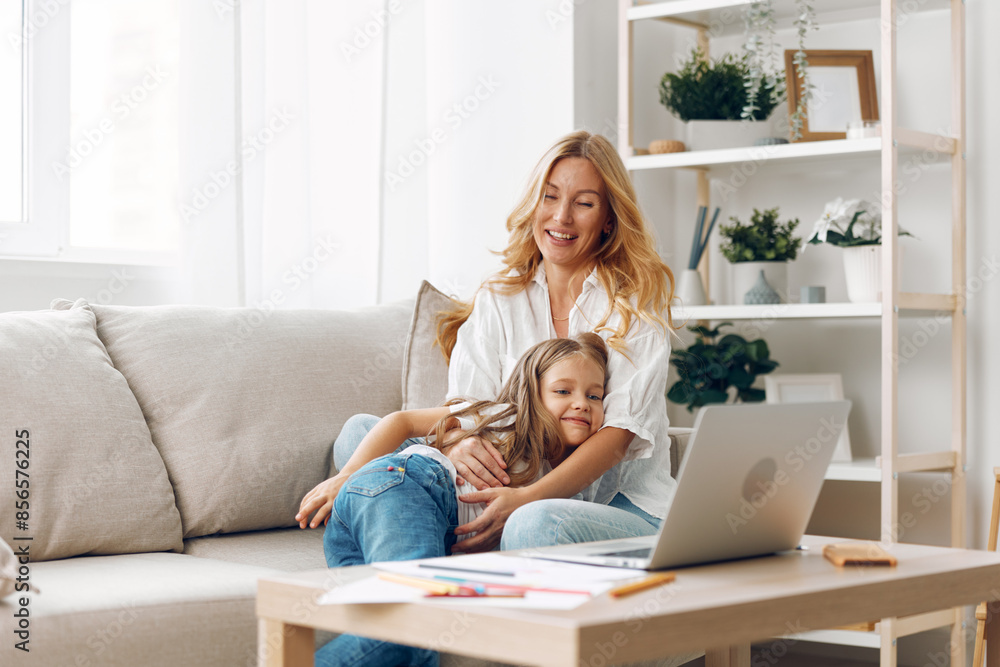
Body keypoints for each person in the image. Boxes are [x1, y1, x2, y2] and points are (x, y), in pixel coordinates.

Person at [324, 129, 676, 555]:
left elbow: (618, 436)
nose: (561, 217)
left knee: (534, 522)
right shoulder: (500, 298)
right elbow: (467, 406)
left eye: (583, 203)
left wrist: (527, 499)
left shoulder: (633, 303)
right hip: (507, 483)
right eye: (549, 197)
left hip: (617, 506)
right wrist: (459, 443)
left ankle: (456, 549)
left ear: (608, 219)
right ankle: (439, 554)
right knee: (359, 434)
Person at [298, 333, 609, 667]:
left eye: (595, 395)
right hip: (404, 488)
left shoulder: (564, 481)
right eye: (563, 391)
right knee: (413, 625)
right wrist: (345, 476)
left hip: (377, 526)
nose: (582, 403)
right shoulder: (505, 418)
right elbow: (402, 421)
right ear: (531, 394)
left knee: (397, 637)